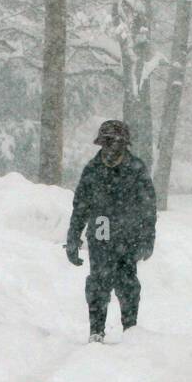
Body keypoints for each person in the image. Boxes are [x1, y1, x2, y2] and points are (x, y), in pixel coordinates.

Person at [65, 120, 157, 343]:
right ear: (101, 144)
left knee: (127, 283)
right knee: (98, 282)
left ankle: (130, 330)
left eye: (116, 143)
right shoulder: (92, 170)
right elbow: (80, 206)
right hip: (100, 235)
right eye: (107, 142)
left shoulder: (136, 169)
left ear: (125, 145)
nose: (111, 148)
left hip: (129, 237)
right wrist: (73, 237)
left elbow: (148, 207)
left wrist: (147, 238)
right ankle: (96, 330)